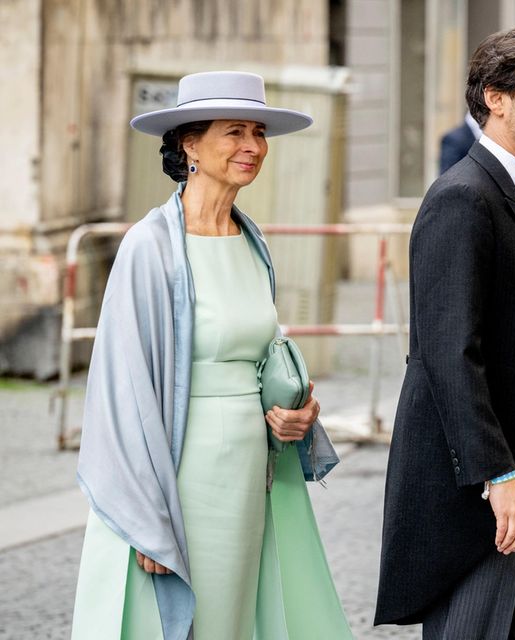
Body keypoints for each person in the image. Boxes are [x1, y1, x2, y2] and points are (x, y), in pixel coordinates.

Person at [71, 71, 352, 639]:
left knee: (238, 619)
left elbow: (266, 357)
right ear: (190, 144)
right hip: (180, 473)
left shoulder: (253, 242)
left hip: (251, 470)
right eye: (234, 131)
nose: (253, 146)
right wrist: (147, 517)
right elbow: (120, 389)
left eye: (258, 132)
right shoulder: (149, 246)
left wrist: (297, 414)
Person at [375, 27, 515, 639]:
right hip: (485, 495)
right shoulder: (462, 197)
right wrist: (498, 478)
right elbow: (448, 354)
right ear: (496, 98)